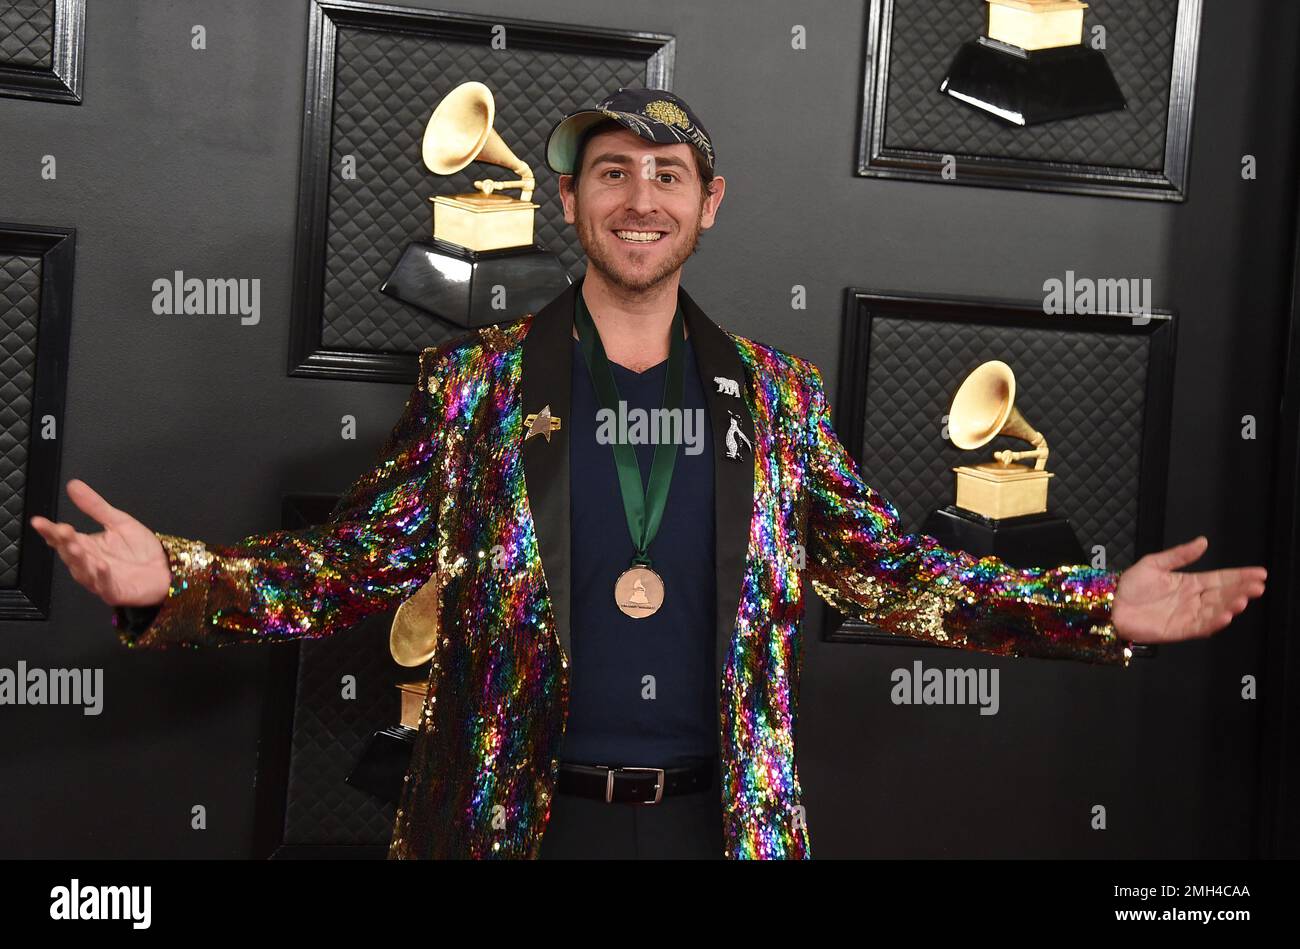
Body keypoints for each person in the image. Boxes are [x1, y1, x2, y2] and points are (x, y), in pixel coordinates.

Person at [31, 88, 1268, 860]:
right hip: (513, 823)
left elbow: (898, 576)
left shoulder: (775, 399)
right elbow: (357, 566)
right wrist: (172, 579)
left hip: (716, 825)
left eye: (667, 174)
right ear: (569, 202)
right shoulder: (476, 390)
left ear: (709, 203)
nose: (640, 198)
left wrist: (1093, 605)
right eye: (612, 174)